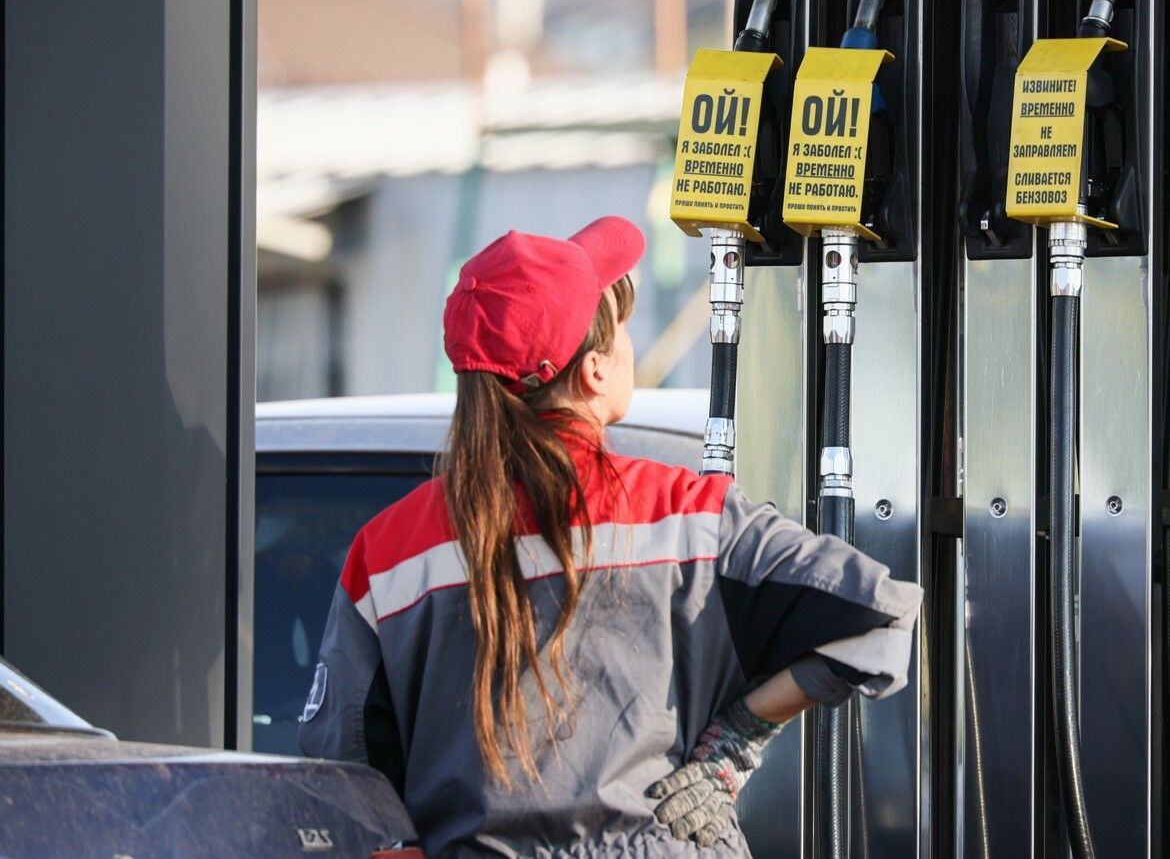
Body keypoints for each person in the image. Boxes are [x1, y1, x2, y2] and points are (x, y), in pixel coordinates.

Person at [299, 217, 922, 857]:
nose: (629, 341)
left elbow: (345, 786)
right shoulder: (689, 517)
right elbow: (878, 617)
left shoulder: (386, 555)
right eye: (620, 326)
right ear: (594, 370)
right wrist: (729, 749)